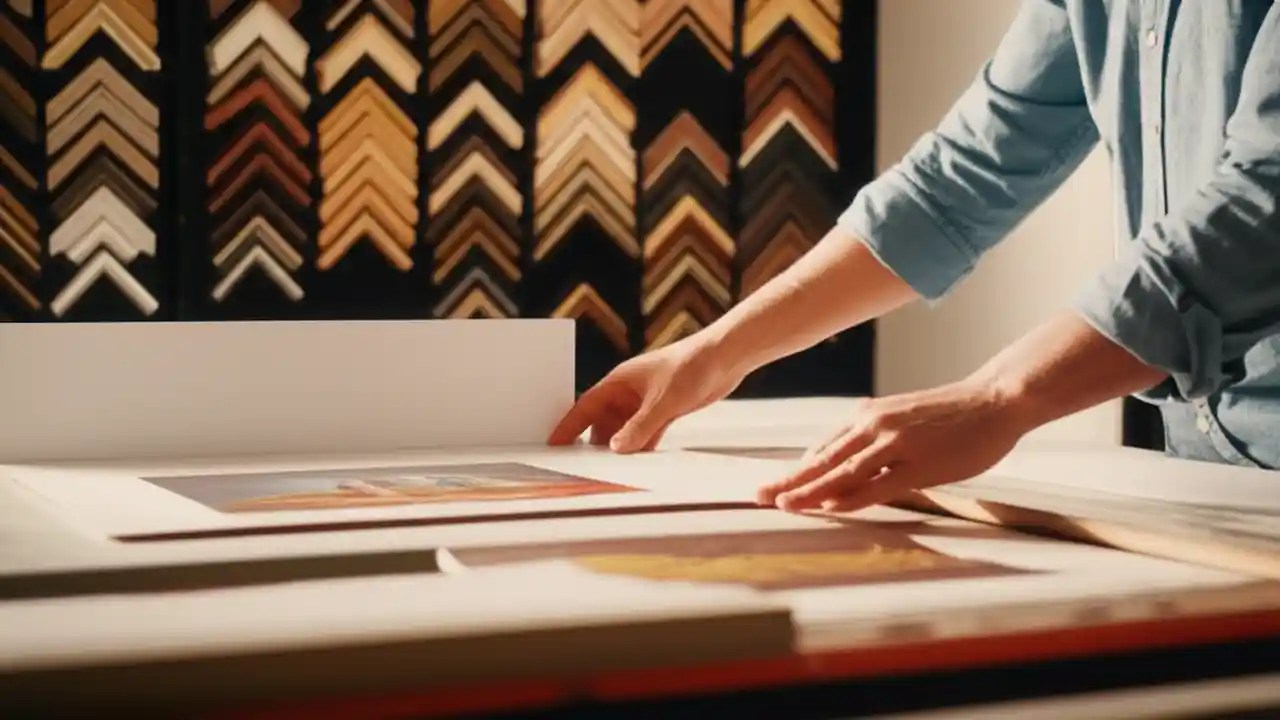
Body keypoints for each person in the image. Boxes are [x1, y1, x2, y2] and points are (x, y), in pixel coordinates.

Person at [548, 1, 1280, 513]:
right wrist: (715, 352)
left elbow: (1261, 204)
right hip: (1209, 477)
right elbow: (955, 180)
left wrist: (1000, 397)